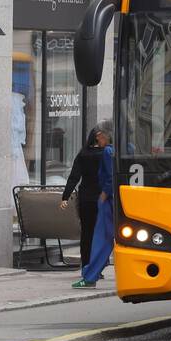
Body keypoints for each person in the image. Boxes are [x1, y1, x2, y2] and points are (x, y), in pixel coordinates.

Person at [73, 121, 114, 288]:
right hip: (123, 197)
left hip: (107, 199)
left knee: (102, 238)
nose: (99, 140)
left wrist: (104, 195)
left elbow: (110, 176)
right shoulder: (127, 148)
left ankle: (90, 276)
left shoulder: (107, 151)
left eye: (100, 136)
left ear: (103, 135)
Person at [60, 127, 106, 267]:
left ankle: (86, 264)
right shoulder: (106, 154)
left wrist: (65, 197)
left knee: (86, 233)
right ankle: (98, 265)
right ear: (99, 136)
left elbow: (74, 177)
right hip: (102, 198)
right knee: (100, 233)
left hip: (85, 198)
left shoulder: (83, 154)